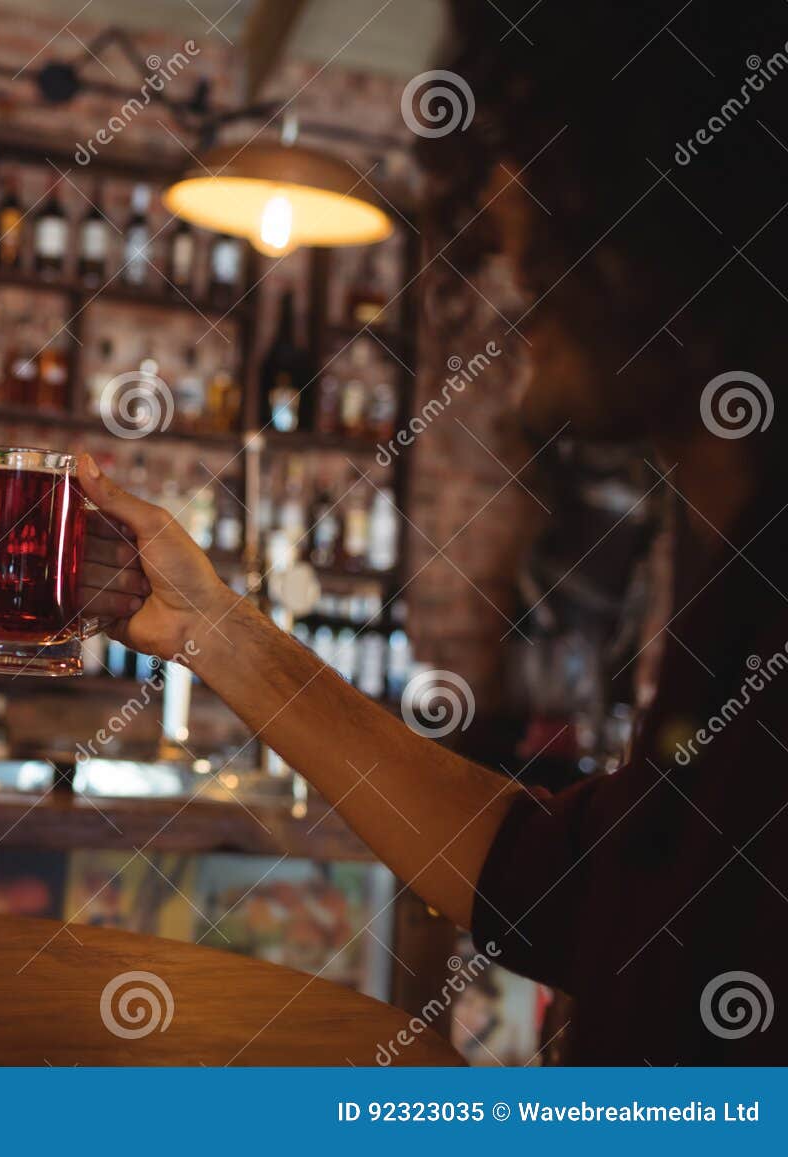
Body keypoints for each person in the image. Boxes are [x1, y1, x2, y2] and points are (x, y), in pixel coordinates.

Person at [76, 4, 788, 1063]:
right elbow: (555, 880)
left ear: (686, 215)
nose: (506, 217)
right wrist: (214, 631)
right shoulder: (730, 586)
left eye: (559, 170)